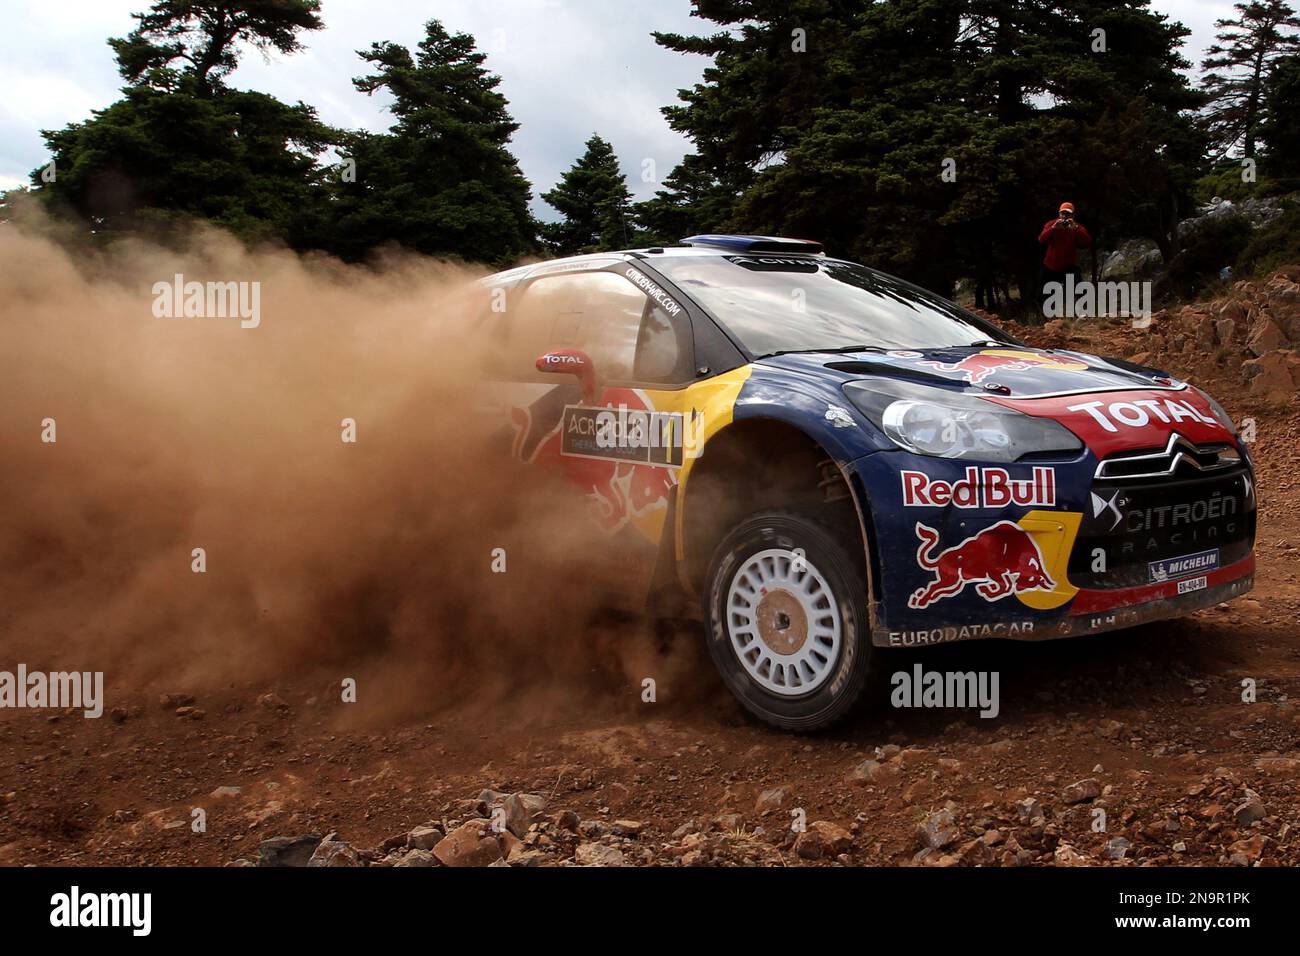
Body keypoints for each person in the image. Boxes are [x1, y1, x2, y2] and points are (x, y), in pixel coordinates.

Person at [1038, 202, 1092, 313]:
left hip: (1067, 266)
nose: (1065, 217)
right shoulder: (1051, 224)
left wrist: (1076, 229)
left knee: (1077, 286)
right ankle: (1044, 316)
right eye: (1063, 213)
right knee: (1042, 293)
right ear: (1059, 214)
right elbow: (1041, 239)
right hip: (1050, 266)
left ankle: (1080, 312)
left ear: (1073, 216)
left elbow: (1087, 242)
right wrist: (1053, 229)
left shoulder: (1076, 227)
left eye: (1068, 214)